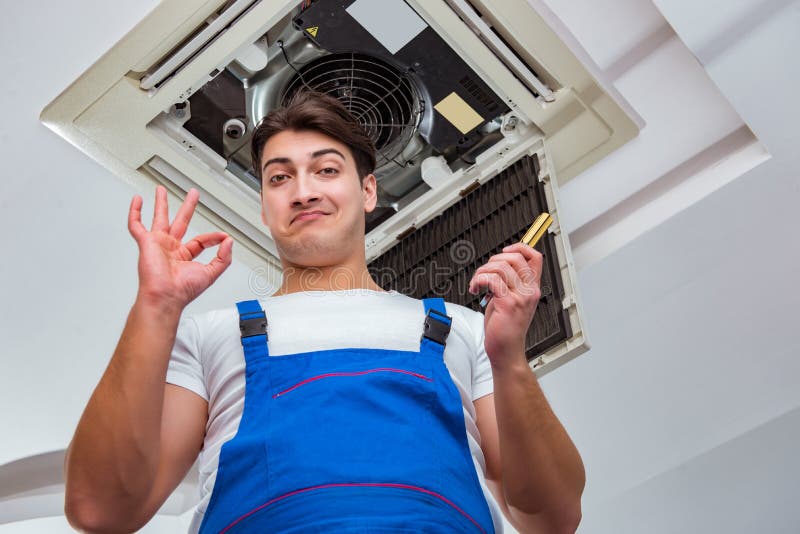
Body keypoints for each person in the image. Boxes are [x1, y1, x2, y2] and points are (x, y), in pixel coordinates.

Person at [64, 91, 585, 533]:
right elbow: (101, 509)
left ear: (368, 190)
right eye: (279, 178)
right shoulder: (209, 334)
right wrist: (155, 306)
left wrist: (509, 360)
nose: (303, 191)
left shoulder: (463, 329)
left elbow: (551, 516)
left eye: (326, 169)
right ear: (264, 207)